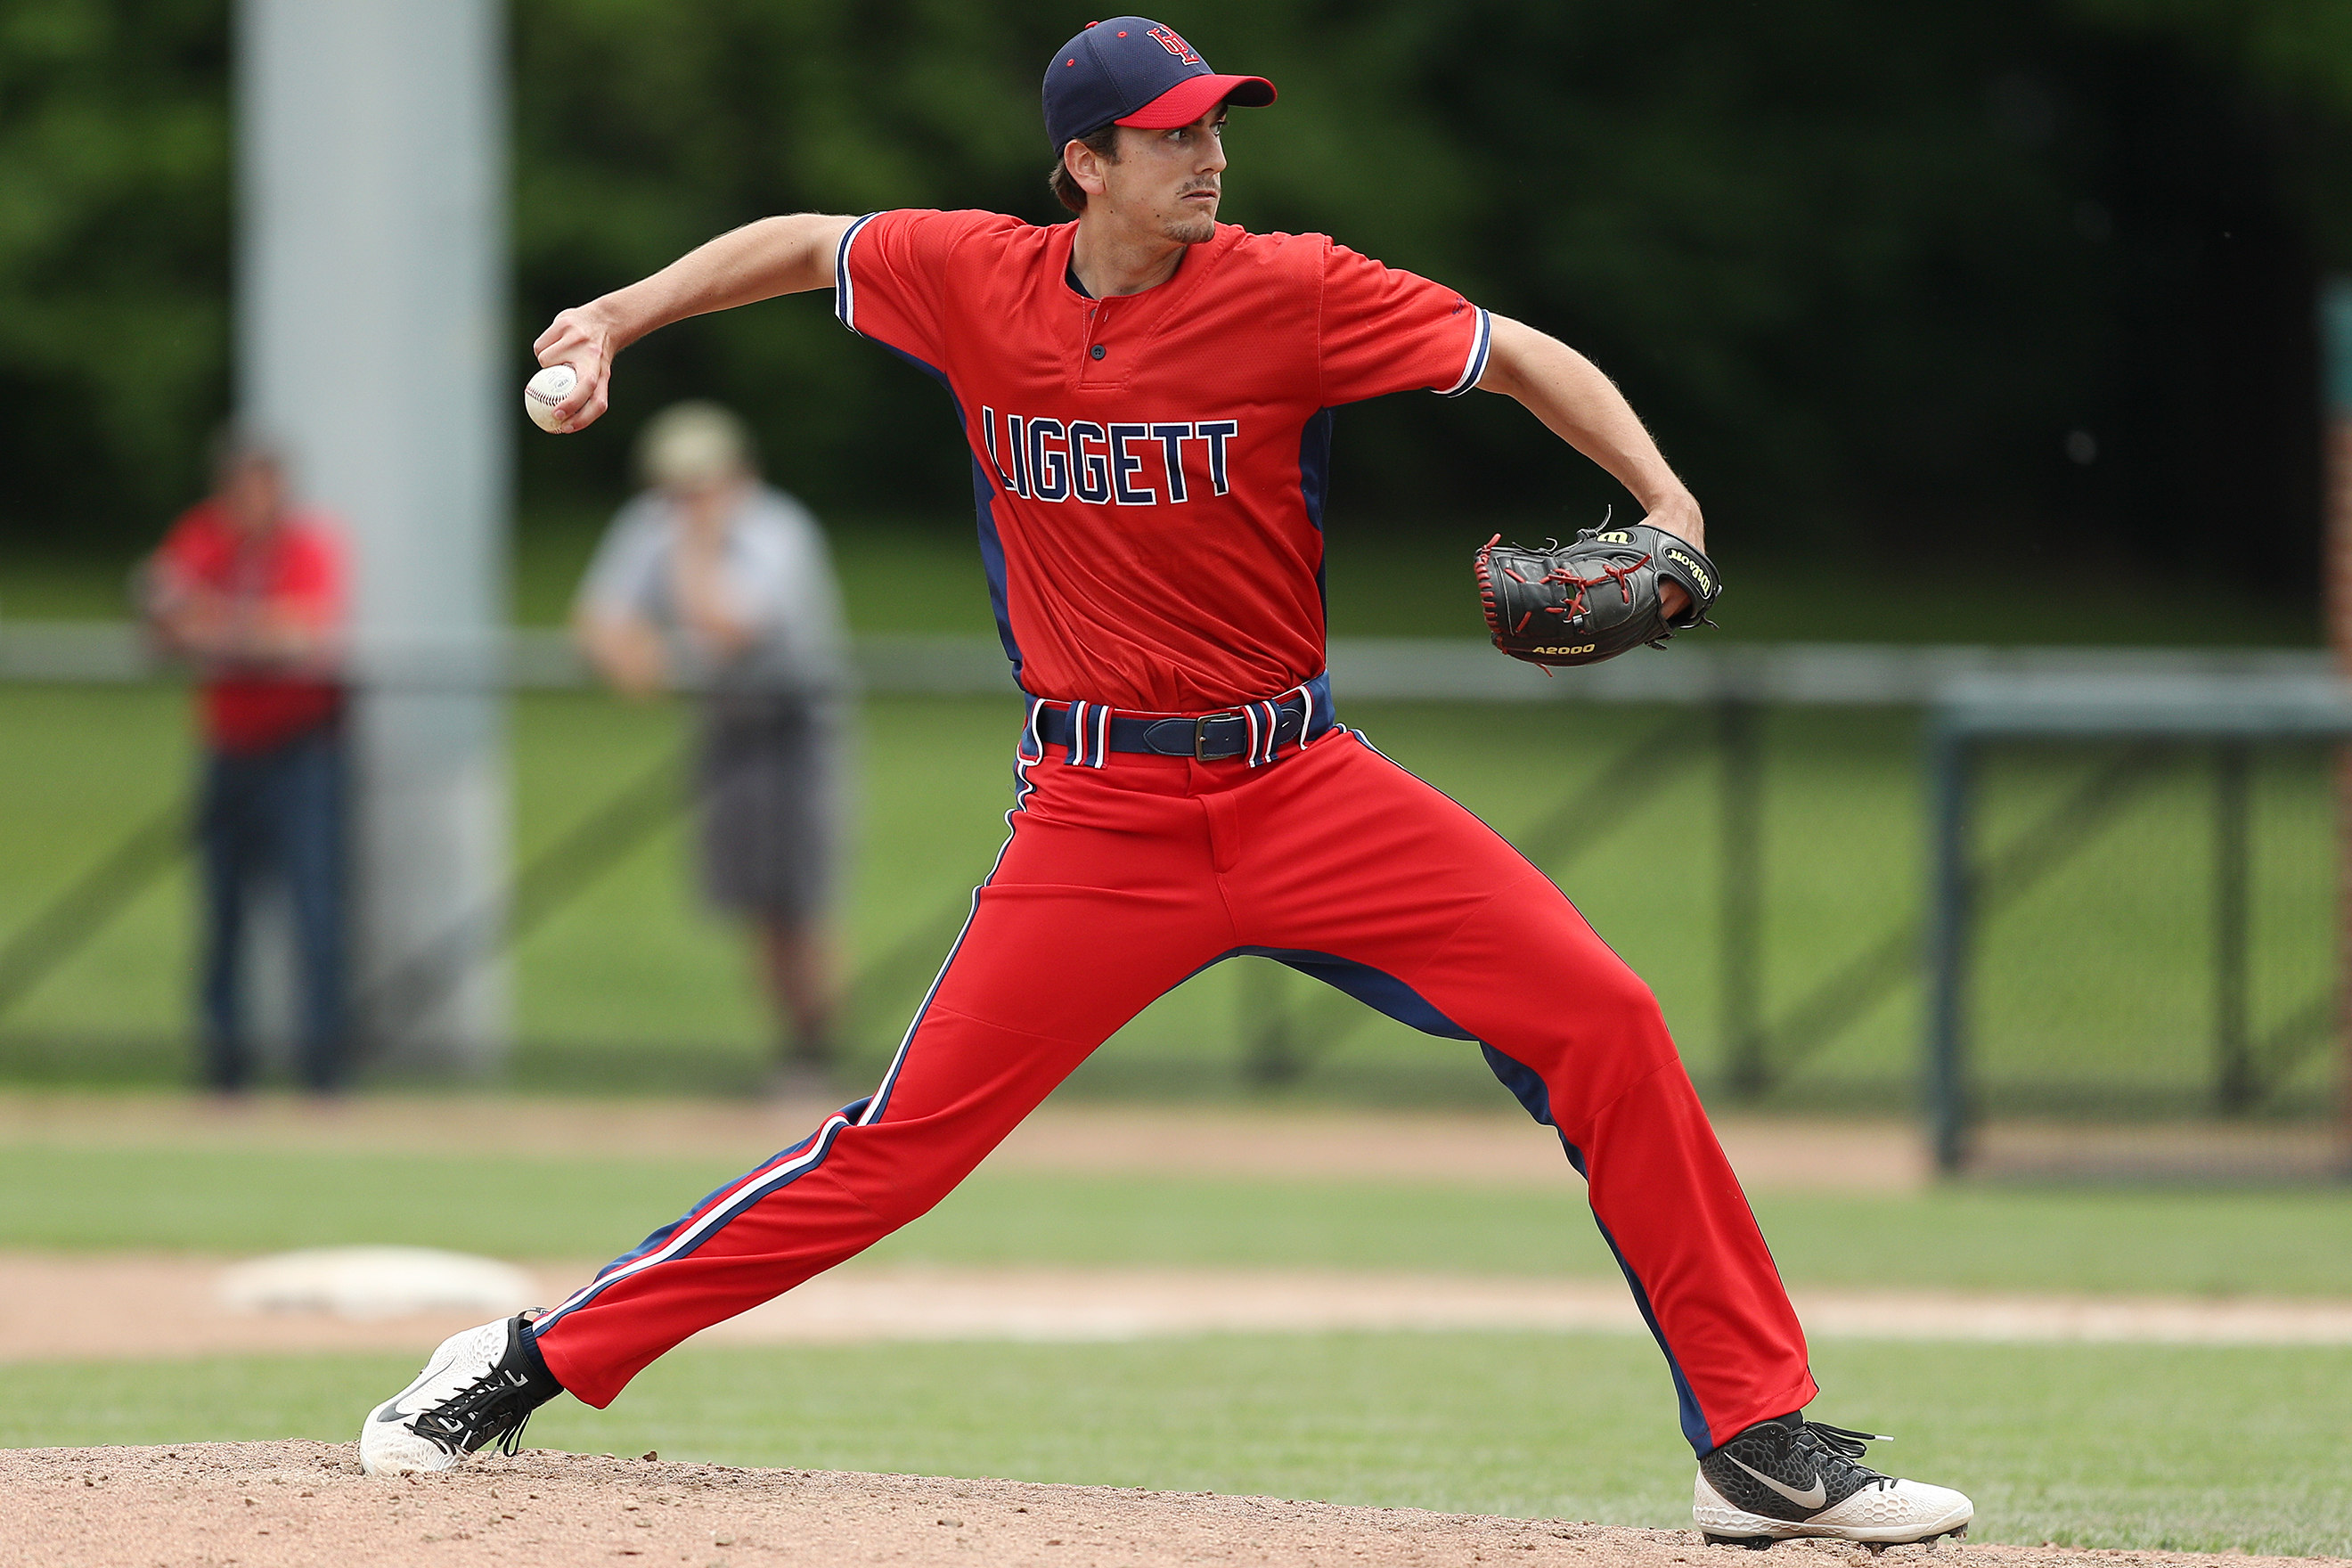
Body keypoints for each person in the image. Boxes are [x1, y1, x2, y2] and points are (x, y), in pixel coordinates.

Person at [359, 17, 1973, 1548]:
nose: (1210, 155)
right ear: (1085, 163)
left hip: (1308, 787)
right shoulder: (973, 280)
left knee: (1603, 1016)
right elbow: (801, 240)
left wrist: (1668, 497)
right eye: (1173, 133)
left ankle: (1758, 1448)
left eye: (1217, 126)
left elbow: (1520, 356)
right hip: (1100, 816)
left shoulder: (1295, 293)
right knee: (896, 1150)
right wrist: (618, 317)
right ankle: (520, 1360)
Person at [573, 402, 853, 1093]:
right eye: (676, 487)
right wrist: (634, 654)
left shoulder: (778, 532)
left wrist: (694, 551)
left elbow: (727, 627)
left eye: (700, 486)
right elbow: (597, 621)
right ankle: (792, 1054)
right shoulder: (653, 524)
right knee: (756, 909)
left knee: (800, 906)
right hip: (729, 730)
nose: (686, 502)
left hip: (798, 734)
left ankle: (815, 1056)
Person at [144, 427, 349, 1095]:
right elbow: (159, 618)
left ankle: (322, 1073)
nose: (253, 500)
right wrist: (240, 628)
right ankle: (224, 1071)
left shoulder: (308, 545)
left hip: (301, 751)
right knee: (223, 914)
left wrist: (216, 624)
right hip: (229, 749)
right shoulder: (202, 537)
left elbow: (301, 635)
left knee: (314, 912)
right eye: (241, 487)